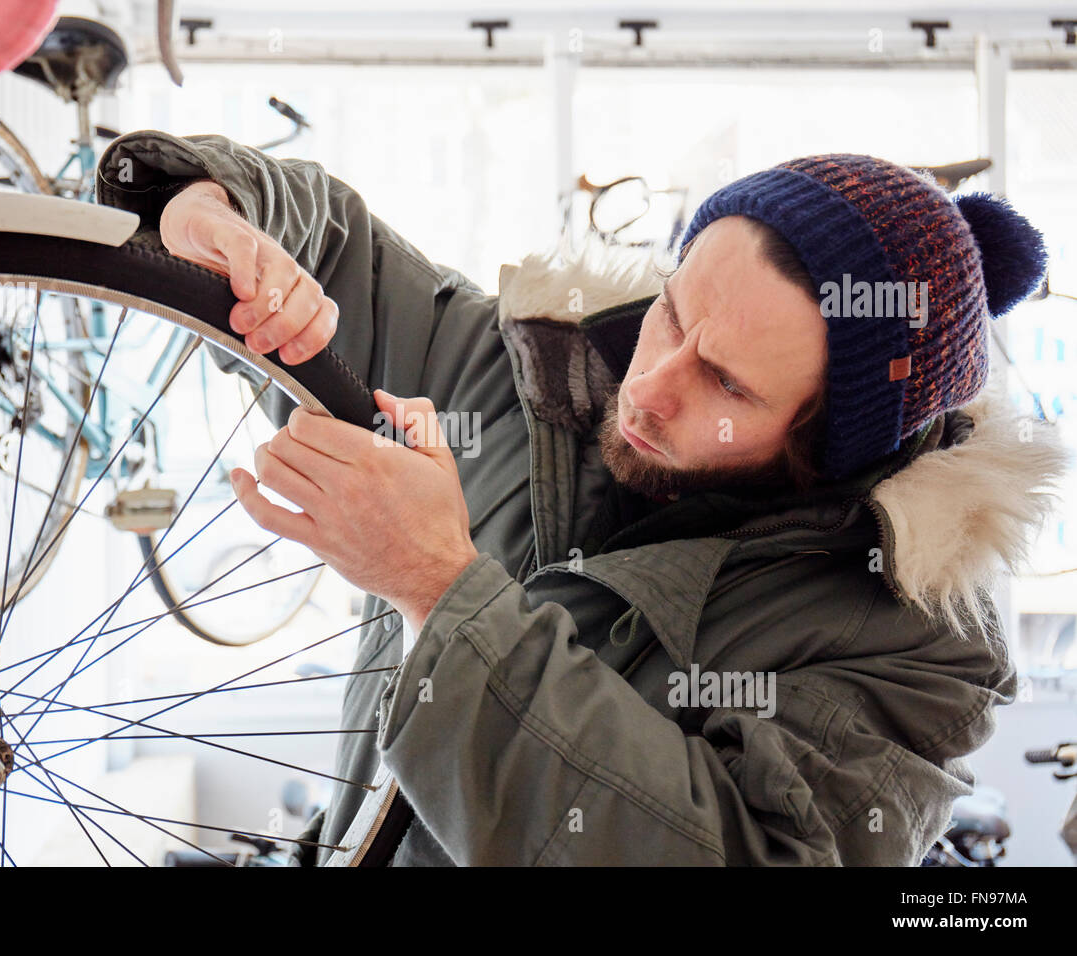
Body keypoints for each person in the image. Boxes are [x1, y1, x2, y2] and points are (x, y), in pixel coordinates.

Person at [97, 134, 1071, 865]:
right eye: (673, 312)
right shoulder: (532, 381)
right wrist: (208, 213)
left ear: (831, 449)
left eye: (727, 385)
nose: (647, 386)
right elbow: (327, 245)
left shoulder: (919, 647)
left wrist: (442, 590)